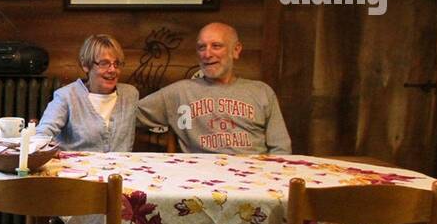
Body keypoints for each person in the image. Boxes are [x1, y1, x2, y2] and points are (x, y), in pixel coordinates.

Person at [137, 22, 291, 154]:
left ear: (236, 50)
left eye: (216, 46)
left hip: (254, 178)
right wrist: (119, 90)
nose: (207, 54)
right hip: (202, 179)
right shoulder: (180, 92)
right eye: (201, 47)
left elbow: (281, 148)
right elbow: (127, 115)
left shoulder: (261, 92)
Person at [35, 34, 138, 152]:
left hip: (121, 170)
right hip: (76, 169)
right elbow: (43, 133)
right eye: (104, 63)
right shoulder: (66, 96)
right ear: (85, 66)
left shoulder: (130, 95)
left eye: (117, 64)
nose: (112, 70)